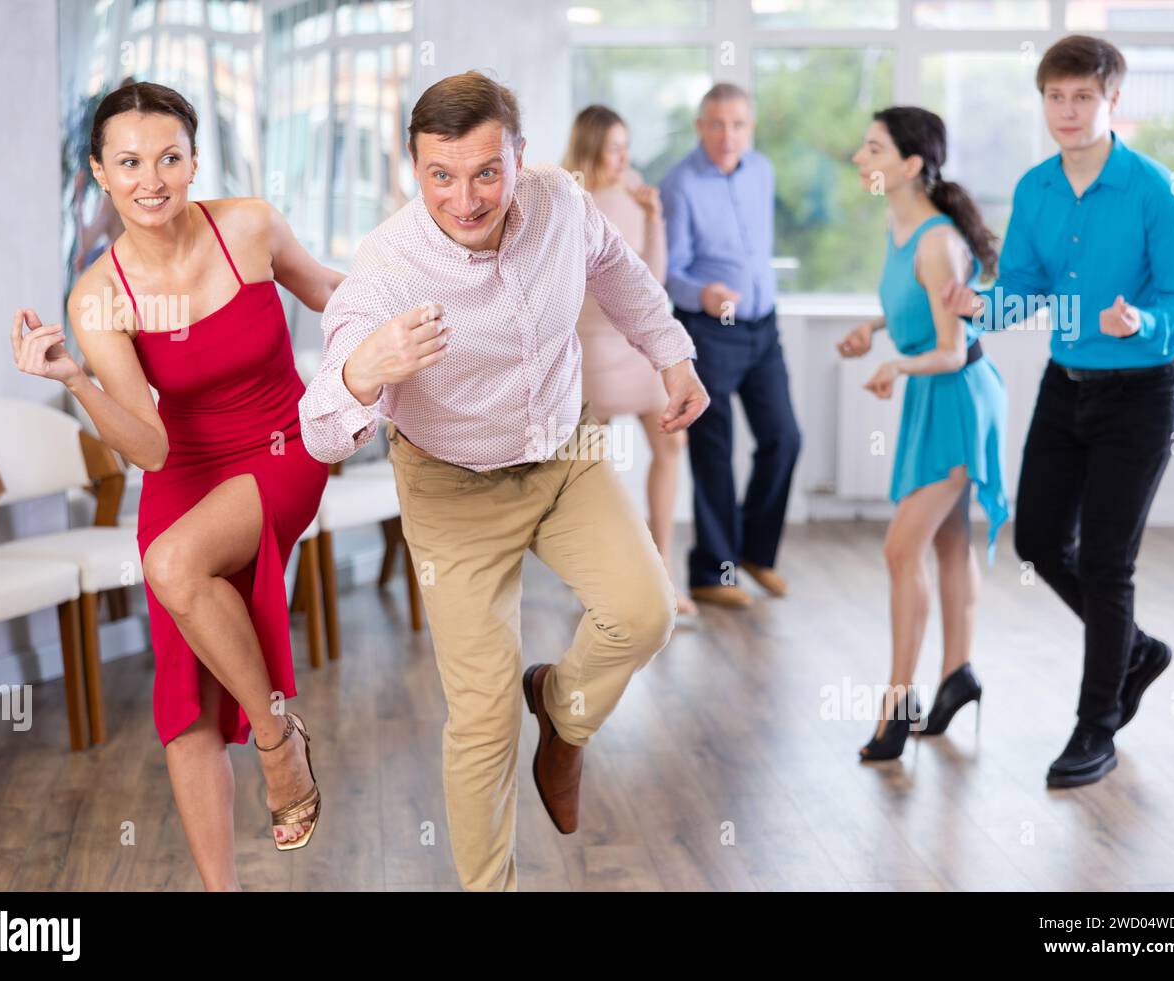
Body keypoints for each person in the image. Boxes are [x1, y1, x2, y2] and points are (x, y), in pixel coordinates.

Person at [298, 71, 709, 891]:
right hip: (452, 490)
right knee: (483, 718)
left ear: (520, 156)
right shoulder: (385, 266)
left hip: (565, 453)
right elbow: (318, 426)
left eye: (486, 171)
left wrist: (673, 352)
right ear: (413, 169)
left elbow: (618, 268)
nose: (466, 198)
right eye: (440, 175)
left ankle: (562, 709)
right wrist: (362, 371)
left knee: (646, 610)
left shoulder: (560, 201)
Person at [12, 81, 337, 889]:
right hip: (183, 472)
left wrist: (398, 339)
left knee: (171, 564)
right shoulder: (97, 295)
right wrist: (78, 382)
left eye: (168, 157)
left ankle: (275, 741)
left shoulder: (250, 225)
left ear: (194, 161)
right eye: (128, 162)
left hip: (281, 445)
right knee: (185, 700)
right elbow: (151, 449)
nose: (150, 179)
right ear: (99, 173)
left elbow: (336, 294)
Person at [942, 36, 1174, 788]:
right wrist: (982, 307)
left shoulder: (1157, 190)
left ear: (1112, 101)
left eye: (1082, 97)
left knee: (1105, 560)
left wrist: (1143, 323)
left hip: (1143, 391)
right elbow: (1024, 284)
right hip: (1067, 385)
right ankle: (1136, 650)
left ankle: (1097, 726)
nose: (1067, 110)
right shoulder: (1036, 189)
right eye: (1056, 97)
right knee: (1036, 540)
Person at [840, 107, 1008, 761]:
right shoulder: (900, 221)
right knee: (944, 544)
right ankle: (958, 672)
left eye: (873, 148)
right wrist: (874, 328)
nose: (860, 158)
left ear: (910, 165)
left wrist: (895, 362)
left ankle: (897, 703)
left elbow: (950, 344)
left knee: (899, 548)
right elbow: (909, 298)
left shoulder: (939, 240)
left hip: (959, 399)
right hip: (935, 396)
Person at [661, 82, 801, 609]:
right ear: (700, 127)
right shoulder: (680, 184)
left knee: (784, 438)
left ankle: (756, 554)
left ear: (751, 127)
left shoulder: (761, 171)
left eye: (738, 124)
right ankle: (712, 573)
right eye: (717, 124)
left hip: (763, 327)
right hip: (709, 331)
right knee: (714, 452)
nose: (728, 135)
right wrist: (705, 292)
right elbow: (668, 274)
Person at [562, 104, 696, 616]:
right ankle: (601, 583)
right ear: (592, 147)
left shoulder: (634, 191)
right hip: (594, 348)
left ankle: (663, 574)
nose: (623, 156)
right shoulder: (572, 202)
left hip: (636, 346)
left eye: (626, 145)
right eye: (614, 147)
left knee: (669, 446)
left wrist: (655, 218)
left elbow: (652, 279)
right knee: (589, 470)